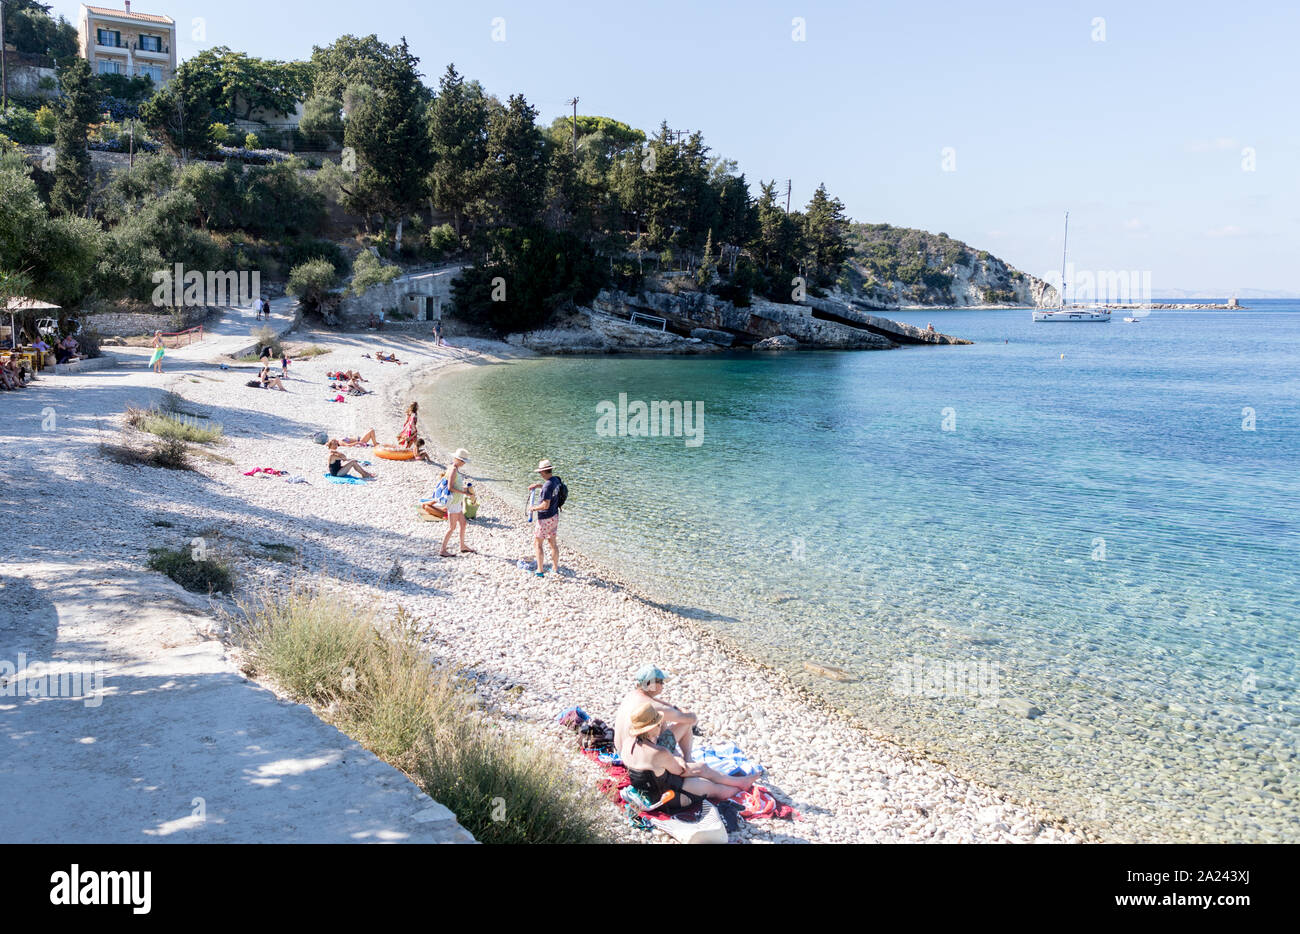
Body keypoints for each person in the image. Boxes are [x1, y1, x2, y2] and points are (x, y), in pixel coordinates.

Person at [615, 667, 757, 794]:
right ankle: (693, 760)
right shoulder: (654, 709)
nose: (663, 685)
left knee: (702, 773)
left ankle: (731, 781)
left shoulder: (632, 698)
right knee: (706, 776)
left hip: (630, 756)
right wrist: (681, 761)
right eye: (661, 682)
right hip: (657, 777)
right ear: (651, 684)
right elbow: (691, 719)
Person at [622, 703, 745, 813]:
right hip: (670, 798)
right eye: (659, 723)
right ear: (650, 728)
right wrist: (681, 759)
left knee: (702, 771)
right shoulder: (659, 753)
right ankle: (739, 788)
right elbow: (680, 770)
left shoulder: (628, 743)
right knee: (715, 788)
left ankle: (734, 782)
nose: (661, 724)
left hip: (646, 792)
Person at [526, 459, 562, 578]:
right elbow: (551, 489)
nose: (540, 475)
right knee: (552, 542)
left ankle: (540, 570)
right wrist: (538, 486)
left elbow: (545, 505)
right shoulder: (556, 480)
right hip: (554, 516)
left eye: (540, 473)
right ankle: (555, 568)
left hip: (545, 518)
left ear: (542, 472)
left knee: (538, 543)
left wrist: (533, 508)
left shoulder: (547, 485)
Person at [439, 448, 476, 557]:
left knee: (463, 523)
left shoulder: (453, 467)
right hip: (454, 502)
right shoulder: (454, 470)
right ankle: (443, 550)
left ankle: (462, 546)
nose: (464, 463)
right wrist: (465, 493)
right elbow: (450, 487)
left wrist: (464, 489)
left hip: (457, 501)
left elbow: (455, 485)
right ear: (459, 460)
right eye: (463, 461)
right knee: (452, 527)